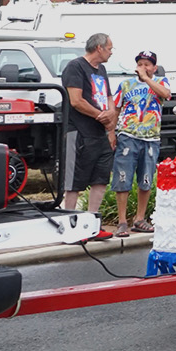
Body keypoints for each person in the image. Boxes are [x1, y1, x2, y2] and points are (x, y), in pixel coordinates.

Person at [62, 33, 118, 240]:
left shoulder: (101, 70)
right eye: (110, 48)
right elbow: (76, 100)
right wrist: (100, 115)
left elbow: (109, 97)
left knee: (100, 177)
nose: (111, 52)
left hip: (99, 133)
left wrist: (111, 117)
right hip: (79, 131)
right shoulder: (75, 67)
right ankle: (70, 225)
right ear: (99, 48)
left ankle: (92, 224)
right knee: (75, 180)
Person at [111, 50, 171, 235]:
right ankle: (122, 222)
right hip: (128, 136)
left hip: (151, 138)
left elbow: (166, 94)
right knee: (123, 177)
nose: (143, 67)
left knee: (145, 178)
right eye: (140, 64)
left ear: (154, 67)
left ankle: (140, 218)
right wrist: (111, 133)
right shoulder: (126, 84)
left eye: (147, 64)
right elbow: (116, 108)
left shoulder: (161, 82)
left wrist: (147, 79)